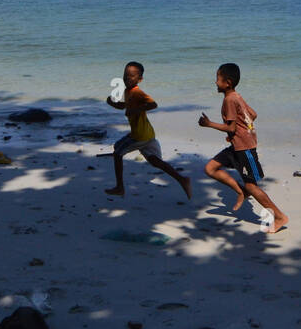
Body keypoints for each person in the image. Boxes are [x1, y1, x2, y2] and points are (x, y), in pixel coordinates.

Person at [198, 62, 288, 233]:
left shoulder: (229, 100)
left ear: (228, 83)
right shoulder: (237, 96)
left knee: (252, 186)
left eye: (218, 78)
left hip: (245, 149)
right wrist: (239, 132)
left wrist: (209, 124)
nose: (215, 82)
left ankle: (279, 216)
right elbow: (252, 115)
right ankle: (241, 191)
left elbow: (231, 127)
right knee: (210, 168)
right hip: (237, 145)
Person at [105, 61, 190, 199]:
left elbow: (153, 104)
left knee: (117, 153)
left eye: (131, 76)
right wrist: (112, 103)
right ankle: (182, 179)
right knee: (155, 161)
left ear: (140, 79)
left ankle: (120, 187)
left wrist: (136, 110)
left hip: (139, 136)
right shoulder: (128, 91)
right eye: (125, 76)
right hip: (148, 134)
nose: (127, 79)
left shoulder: (137, 92)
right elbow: (124, 106)